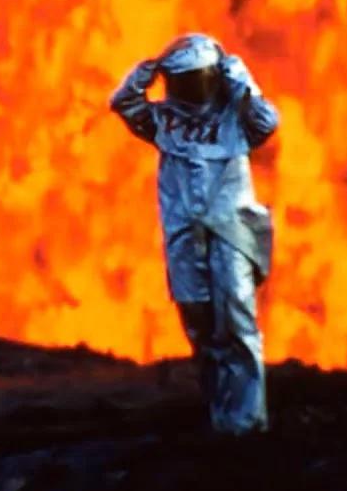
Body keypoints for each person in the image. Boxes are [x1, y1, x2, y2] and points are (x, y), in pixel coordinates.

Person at [109, 32, 279, 435]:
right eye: (185, 79)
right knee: (197, 320)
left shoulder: (236, 118)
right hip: (184, 234)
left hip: (230, 230)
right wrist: (147, 70)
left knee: (237, 316)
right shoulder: (164, 121)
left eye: (200, 78)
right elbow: (123, 103)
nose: (193, 88)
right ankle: (220, 409)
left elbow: (267, 121)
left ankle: (248, 420)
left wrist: (239, 77)